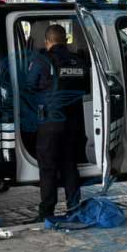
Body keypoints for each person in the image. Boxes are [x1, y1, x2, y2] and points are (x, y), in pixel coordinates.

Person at [26, 24, 89, 222]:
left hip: (50, 123)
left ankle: (47, 213)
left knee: (48, 168)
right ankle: (74, 208)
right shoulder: (78, 61)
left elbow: (29, 85)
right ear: (65, 40)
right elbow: (86, 87)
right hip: (74, 123)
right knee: (70, 165)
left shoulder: (41, 60)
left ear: (47, 41)